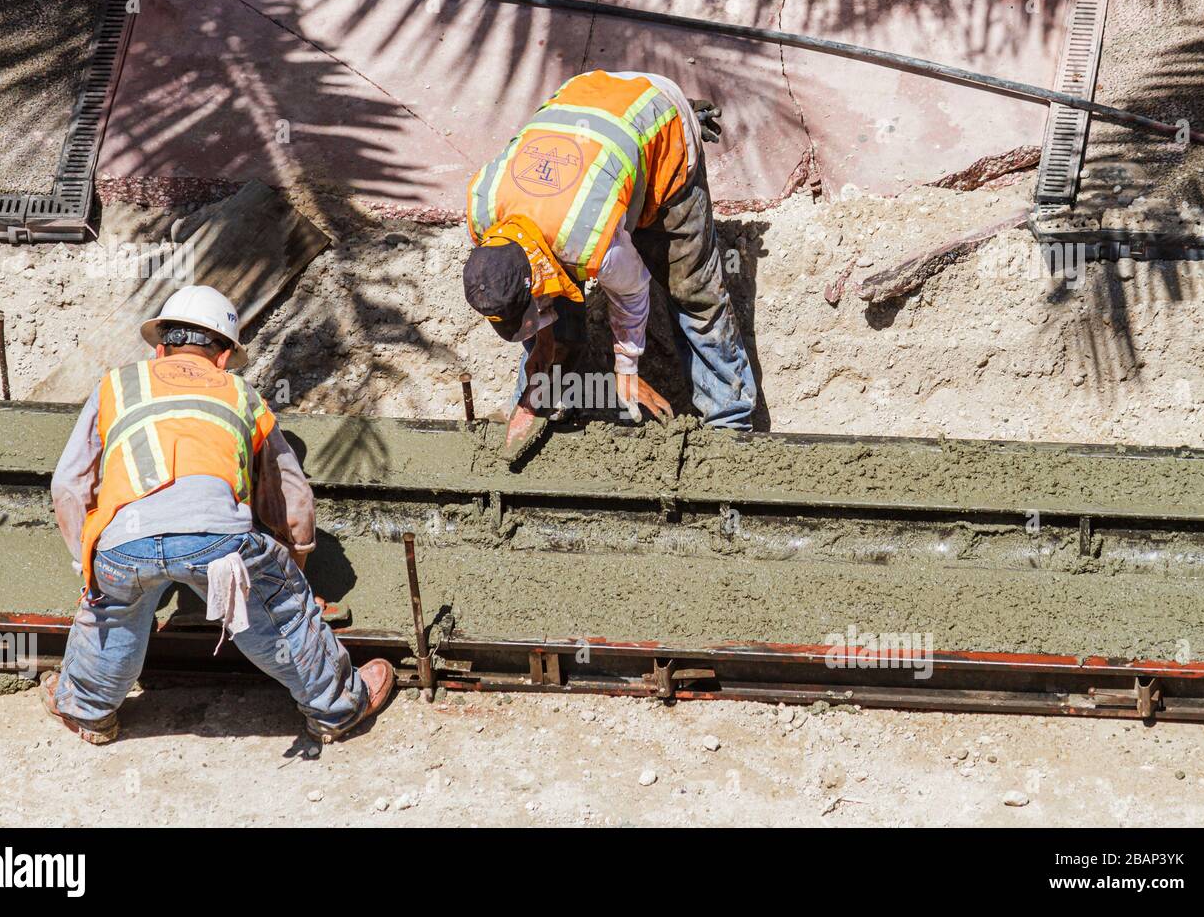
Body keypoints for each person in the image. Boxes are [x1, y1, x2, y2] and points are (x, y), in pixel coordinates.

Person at [46, 285, 393, 744]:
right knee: (282, 614)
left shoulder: (115, 386)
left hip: (121, 541)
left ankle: (87, 713)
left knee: (109, 613)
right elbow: (290, 493)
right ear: (224, 356)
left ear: (159, 347)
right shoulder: (241, 396)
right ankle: (337, 708)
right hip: (217, 541)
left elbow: (69, 484)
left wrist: (86, 558)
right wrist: (295, 560)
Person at [463, 69, 757, 448]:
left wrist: (627, 368)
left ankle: (729, 424)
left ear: (535, 277)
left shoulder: (587, 241)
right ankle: (548, 399)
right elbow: (538, 291)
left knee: (693, 292)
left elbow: (633, 290)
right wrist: (544, 342)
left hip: (659, 129)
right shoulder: (484, 214)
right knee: (556, 315)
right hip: (586, 105)